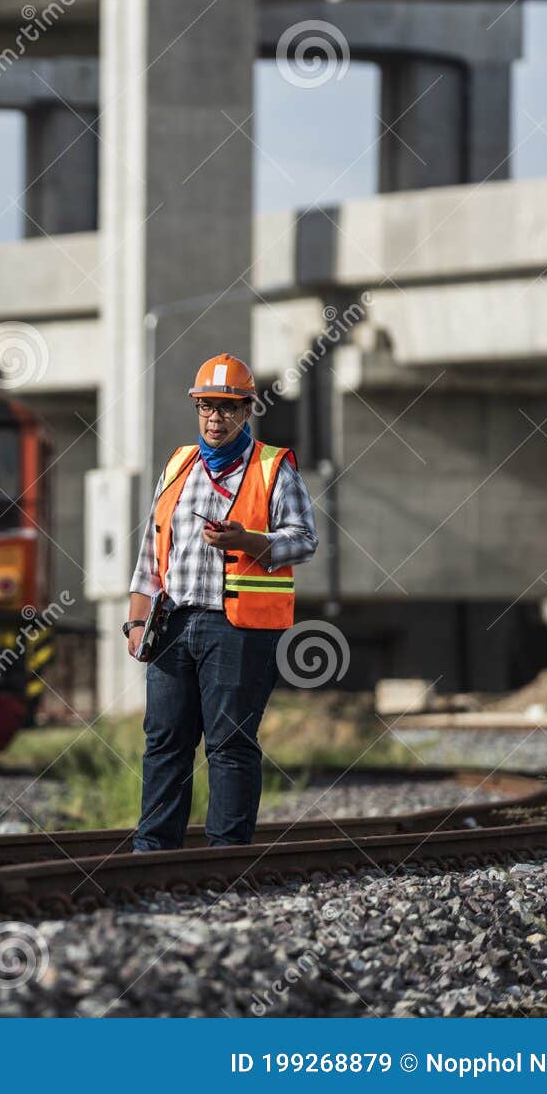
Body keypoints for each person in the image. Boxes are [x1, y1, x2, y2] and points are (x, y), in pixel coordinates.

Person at [124, 354, 319, 850]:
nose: (216, 417)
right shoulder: (178, 465)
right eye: (207, 407)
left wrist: (246, 540)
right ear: (197, 408)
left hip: (239, 629)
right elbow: (152, 546)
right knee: (165, 742)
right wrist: (135, 619)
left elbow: (304, 540)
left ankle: (226, 856)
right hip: (171, 625)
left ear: (248, 410)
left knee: (229, 744)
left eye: (228, 408)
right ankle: (153, 853)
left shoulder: (273, 468)